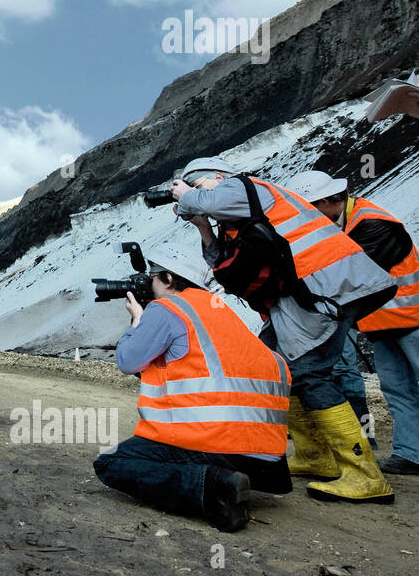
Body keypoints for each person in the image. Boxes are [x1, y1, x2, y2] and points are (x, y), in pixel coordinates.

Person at [172, 157, 397, 503]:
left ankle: (364, 475)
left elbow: (206, 200)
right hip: (300, 300)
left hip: (329, 288)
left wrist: (186, 195)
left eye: (199, 185)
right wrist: (203, 227)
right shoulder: (232, 220)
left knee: (309, 375)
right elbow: (220, 265)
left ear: (217, 177)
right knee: (273, 367)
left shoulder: (246, 188)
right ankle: (314, 457)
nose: (196, 196)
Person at [93, 246, 292, 531]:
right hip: (268, 461)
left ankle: (213, 488)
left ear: (168, 280)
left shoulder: (167, 308)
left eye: (153, 279)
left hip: (217, 444)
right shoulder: (219, 310)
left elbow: (127, 361)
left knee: (112, 462)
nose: (149, 285)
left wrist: (138, 321)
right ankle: (231, 475)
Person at [285, 170, 419, 476]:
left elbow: (349, 274)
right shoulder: (344, 224)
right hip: (384, 325)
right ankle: (411, 454)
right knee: (398, 391)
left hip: (412, 319)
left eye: (311, 208)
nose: (309, 216)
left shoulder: (373, 224)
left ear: (330, 200)